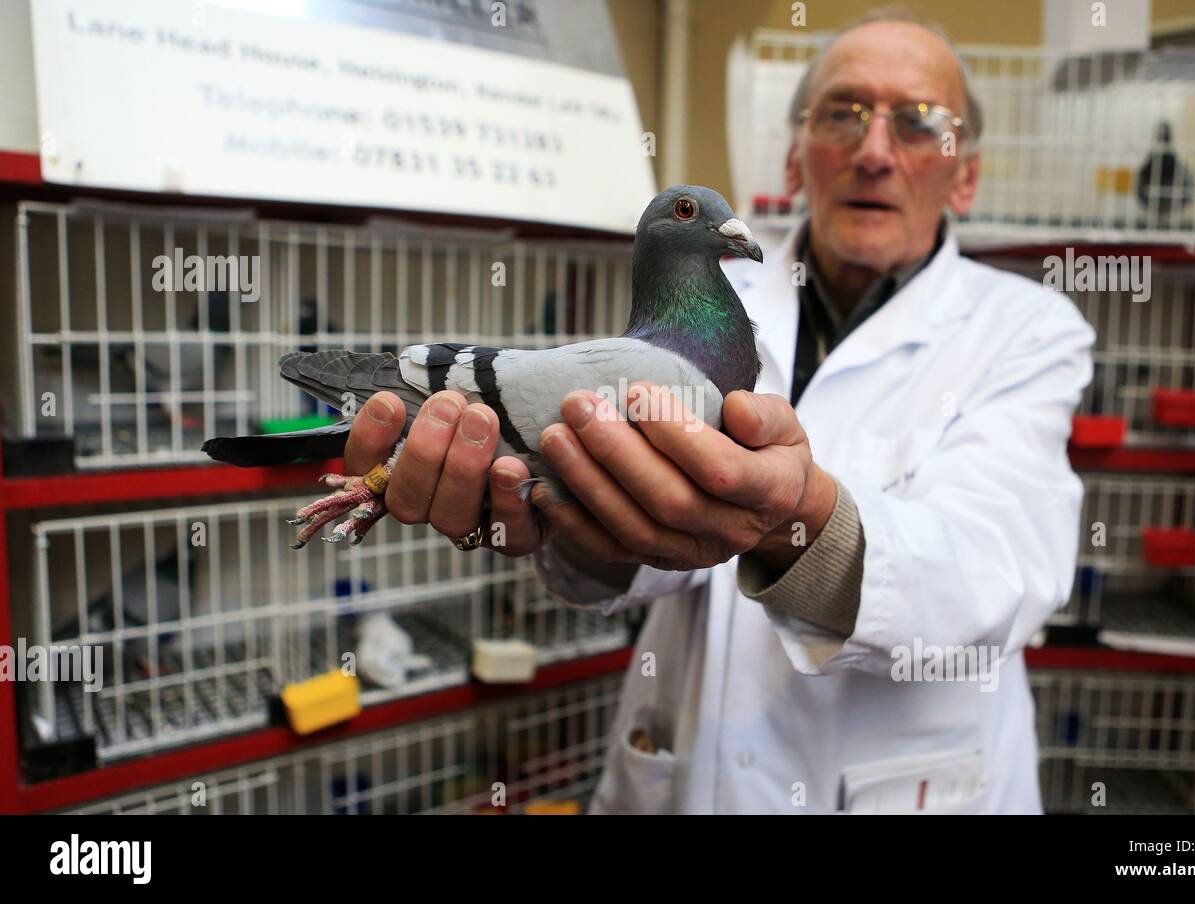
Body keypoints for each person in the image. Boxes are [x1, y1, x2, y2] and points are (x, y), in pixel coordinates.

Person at [343, 9, 1095, 813]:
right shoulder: (703, 299)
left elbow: (1003, 571)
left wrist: (804, 526)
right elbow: (608, 554)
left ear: (965, 173)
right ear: (796, 158)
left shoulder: (1030, 329)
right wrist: (571, 524)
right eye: (842, 114)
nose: (874, 152)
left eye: (918, 124)